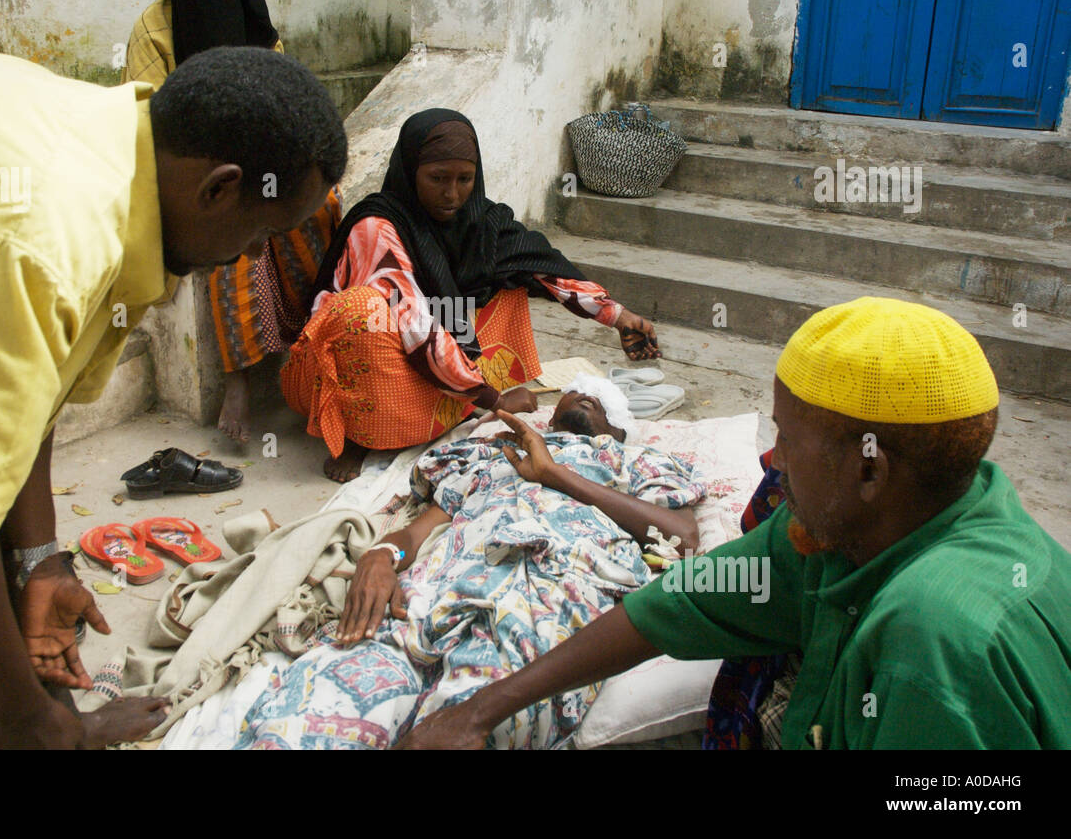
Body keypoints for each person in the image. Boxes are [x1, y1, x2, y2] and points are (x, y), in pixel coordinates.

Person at [0, 37, 346, 748]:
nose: (256, 256)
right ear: (219, 188)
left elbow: (14, 406)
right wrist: (27, 717)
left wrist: (38, 559)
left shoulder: (126, 153)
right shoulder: (40, 238)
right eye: (265, 231)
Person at [398, 297, 1071, 749]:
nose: (772, 459)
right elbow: (674, 606)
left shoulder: (936, 643)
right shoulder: (850, 529)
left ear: (871, 470)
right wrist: (481, 711)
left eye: (787, 439)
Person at [233, 389, 704, 749]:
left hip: (551, 596)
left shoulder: (631, 461)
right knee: (304, 715)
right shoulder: (495, 455)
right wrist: (381, 557)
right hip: (432, 593)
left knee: (465, 730)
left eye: (599, 402)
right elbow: (419, 532)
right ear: (549, 418)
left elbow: (681, 539)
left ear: (616, 431)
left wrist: (557, 475)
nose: (586, 395)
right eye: (575, 393)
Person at [282, 108, 662, 483]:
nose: (452, 194)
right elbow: (416, 327)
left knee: (508, 271)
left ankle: (457, 401)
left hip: (425, 364)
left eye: (465, 179)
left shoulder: (479, 219)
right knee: (361, 311)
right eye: (437, 178)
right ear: (410, 171)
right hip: (341, 374)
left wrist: (617, 315)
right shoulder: (376, 227)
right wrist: (494, 402)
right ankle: (359, 433)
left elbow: (543, 269)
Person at [122, 0, 343, 445]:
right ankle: (239, 377)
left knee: (319, 209)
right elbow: (158, 115)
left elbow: (284, 112)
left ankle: (318, 341)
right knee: (229, 240)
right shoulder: (153, 29)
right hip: (200, 171)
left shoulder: (261, 35)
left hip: (264, 163)